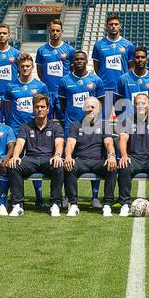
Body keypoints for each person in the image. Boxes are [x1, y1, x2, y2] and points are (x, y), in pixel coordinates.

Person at [57, 51, 105, 208]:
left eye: (82, 59)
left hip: (92, 126)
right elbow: (63, 104)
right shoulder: (64, 81)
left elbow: (100, 103)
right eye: (76, 59)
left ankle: (95, 197)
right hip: (72, 125)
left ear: (86, 61)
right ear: (72, 61)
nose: (79, 61)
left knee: (95, 156)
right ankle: (68, 196)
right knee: (69, 159)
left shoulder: (96, 80)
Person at [5, 93, 65, 217]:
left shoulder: (56, 127)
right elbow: (20, 143)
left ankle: (55, 204)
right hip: (30, 159)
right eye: (37, 107)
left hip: (48, 159)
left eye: (43, 107)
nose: (40, 109)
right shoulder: (25, 126)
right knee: (13, 166)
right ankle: (17, 205)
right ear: (33, 109)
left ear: (48, 109)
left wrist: (58, 155)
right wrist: (15, 156)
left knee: (59, 166)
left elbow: (59, 144)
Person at [5, 52, 50, 206]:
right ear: (18, 67)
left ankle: (39, 197)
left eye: (28, 66)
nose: (25, 68)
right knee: (14, 163)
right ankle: (16, 198)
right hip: (16, 128)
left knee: (34, 161)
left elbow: (45, 107)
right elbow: (7, 107)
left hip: (34, 129)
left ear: (32, 67)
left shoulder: (40, 86)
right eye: (22, 66)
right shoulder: (10, 86)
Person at [62, 96, 118, 217]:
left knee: (112, 166)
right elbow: (70, 143)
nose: (90, 110)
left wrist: (112, 156)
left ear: (98, 109)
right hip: (81, 160)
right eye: (87, 107)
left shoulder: (104, 125)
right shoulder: (76, 125)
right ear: (83, 109)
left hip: (99, 161)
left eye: (93, 107)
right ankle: (74, 204)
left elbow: (109, 143)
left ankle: (107, 204)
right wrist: (67, 156)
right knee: (69, 166)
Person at [114, 91, 149, 218]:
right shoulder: (128, 120)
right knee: (124, 165)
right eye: (137, 103)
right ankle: (125, 204)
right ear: (134, 105)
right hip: (133, 158)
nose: (140, 105)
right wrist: (124, 155)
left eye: (143, 103)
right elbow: (122, 138)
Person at [91, 13, 136, 105]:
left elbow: (131, 67)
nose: (113, 26)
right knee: (105, 116)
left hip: (122, 86)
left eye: (116, 24)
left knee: (123, 116)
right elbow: (97, 67)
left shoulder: (128, 45)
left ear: (120, 26)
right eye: (111, 24)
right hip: (105, 87)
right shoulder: (98, 45)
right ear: (107, 26)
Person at [36, 18, 76, 118]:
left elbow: (73, 71)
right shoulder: (41, 50)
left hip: (63, 92)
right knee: (46, 121)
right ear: (49, 31)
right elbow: (40, 71)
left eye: (57, 30)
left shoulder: (70, 50)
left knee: (63, 120)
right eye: (53, 30)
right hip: (47, 92)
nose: (55, 33)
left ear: (61, 32)